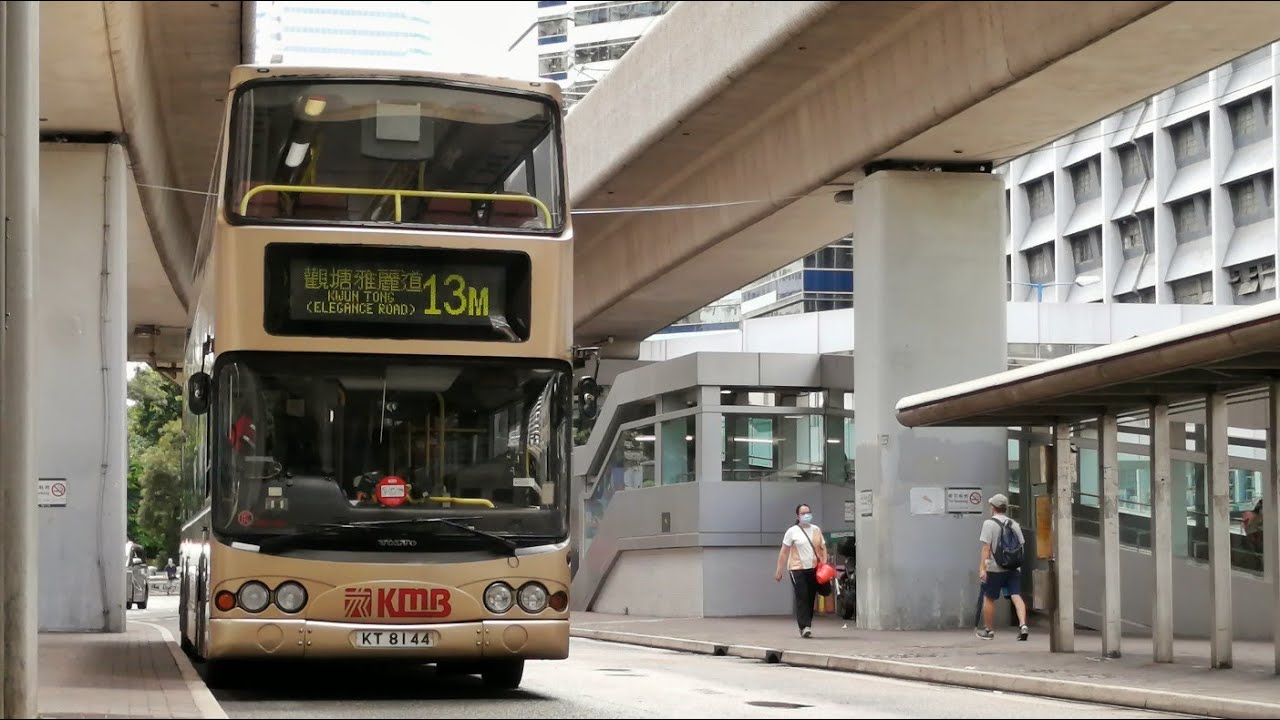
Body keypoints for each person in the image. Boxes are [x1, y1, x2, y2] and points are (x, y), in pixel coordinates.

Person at [977, 493, 1028, 641]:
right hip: (1013, 567)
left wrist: (982, 568)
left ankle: (989, 630)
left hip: (995, 568)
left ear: (993, 507)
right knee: (1016, 595)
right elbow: (1021, 545)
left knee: (989, 598)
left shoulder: (989, 524)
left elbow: (986, 548)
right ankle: (1023, 625)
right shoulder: (1014, 524)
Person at [774, 503, 828, 638]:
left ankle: (807, 624)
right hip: (797, 569)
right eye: (803, 513)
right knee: (802, 596)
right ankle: (804, 626)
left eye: (808, 512)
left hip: (814, 569)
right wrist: (779, 570)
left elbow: (823, 547)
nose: (806, 515)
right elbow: (784, 552)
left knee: (810, 597)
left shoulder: (816, 530)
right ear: (798, 516)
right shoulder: (792, 531)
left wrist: (824, 564)